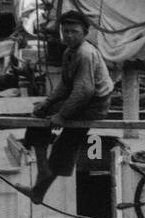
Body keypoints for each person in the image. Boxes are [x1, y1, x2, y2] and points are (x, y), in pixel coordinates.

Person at [15, 11, 113, 205]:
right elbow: (65, 85)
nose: (68, 35)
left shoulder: (85, 53)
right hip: (85, 100)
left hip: (94, 104)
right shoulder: (69, 52)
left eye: (74, 31)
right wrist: (49, 102)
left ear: (84, 33)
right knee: (58, 137)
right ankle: (38, 192)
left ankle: (42, 168)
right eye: (65, 31)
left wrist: (61, 115)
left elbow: (83, 90)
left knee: (40, 121)